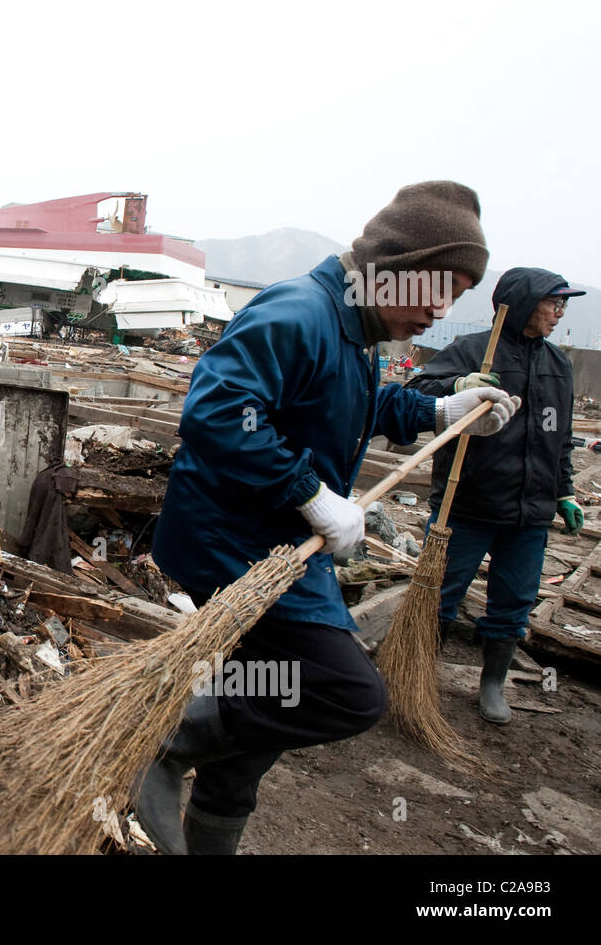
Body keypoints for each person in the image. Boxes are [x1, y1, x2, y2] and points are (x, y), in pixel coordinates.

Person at [140, 181, 521, 855]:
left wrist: (437, 413)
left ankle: (207, 834)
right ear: (394, 261)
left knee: (265, 715)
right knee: (343, 691)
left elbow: (353, 407)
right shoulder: (300, 312)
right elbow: (216, 411)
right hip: (235, 544)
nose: (441, 307)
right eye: (439, 284)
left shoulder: (355, 329)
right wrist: (310, 490)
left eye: (458, 295)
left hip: (280, 544)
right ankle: (165, 744)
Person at [409, 268, 586, 724]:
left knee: (514, 601)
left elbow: (560, 437)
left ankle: (491, 684)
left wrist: (563, 492)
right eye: (554, 303)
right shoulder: (472, 351)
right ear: (525, 304)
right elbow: (415, 396)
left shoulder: (558, 364)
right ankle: (416, 674)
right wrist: (457, 385)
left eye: (564, 304)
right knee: (439, 596)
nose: (560, 312)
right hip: (468, 505)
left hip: (531, 512)